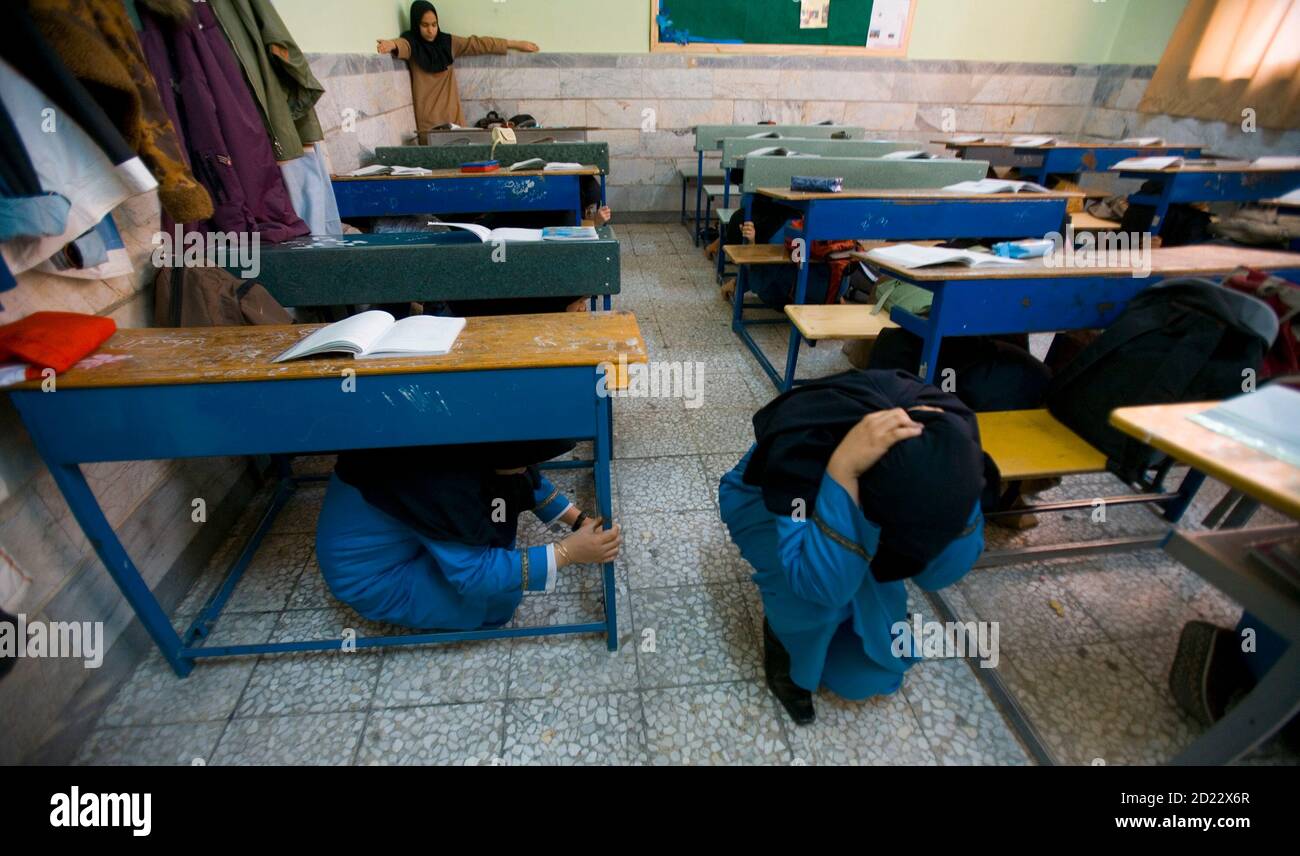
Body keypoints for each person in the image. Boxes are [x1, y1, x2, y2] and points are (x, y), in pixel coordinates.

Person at [718, 370, 996, 724]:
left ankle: (860, 550)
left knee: (867, 676)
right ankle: (780, 641)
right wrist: (842, 472)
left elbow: (938, 574)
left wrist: (955, 475)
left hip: (882, 506)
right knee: (814, 604)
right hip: (767, 500)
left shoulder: (948, 441)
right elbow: (821, 588)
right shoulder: (803, 448)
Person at [315, 440, 621, 630]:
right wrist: (568, 552)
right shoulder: (440, 488)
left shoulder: (466, 441)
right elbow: (475, 576)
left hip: (401, 536)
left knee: (504, 492)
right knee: (499, 597)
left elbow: (526, 477)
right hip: (376, 580)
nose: (530, 466)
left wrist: (578, 520)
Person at [377, 2, 539, 138]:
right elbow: (402, 44)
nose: (431, 30)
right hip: (428, 122)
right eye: (425, 25)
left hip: (453, 117)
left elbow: (478, 44)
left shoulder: (448, 42)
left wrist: (516, 44)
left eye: (434, 25)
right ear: (416, 24)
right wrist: (390, 44)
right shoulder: (412, 43)